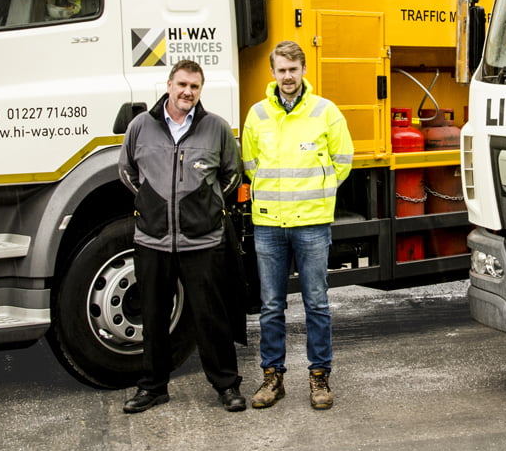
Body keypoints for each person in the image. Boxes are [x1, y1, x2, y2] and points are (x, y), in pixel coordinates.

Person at [118, 59, 247, 414]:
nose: (187, 92)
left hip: (203, 240)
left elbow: (231, 174)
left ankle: (226, 386)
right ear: (169, 85)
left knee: (211, 317)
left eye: (194, 86)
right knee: (154, 317)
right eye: (182, 85)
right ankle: (153, 387)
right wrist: (151, 203)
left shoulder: (216, 128)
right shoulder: (140, 127)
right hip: (152, 239)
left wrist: (203, 206)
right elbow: (127, 171)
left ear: (200, 90)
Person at [241, 40, 353, 410]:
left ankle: (319, 378)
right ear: (272, 73)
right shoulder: (257, 115)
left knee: (316, 303)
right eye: (281, 70)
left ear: (304, 70)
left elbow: (342, 160)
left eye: (293, 69)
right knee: (271, 306)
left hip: (312, 225)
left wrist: (317, 190)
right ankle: (273, 378)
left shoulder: (326, 112)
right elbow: (251, 164)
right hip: (269, 225)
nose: (287, 76)